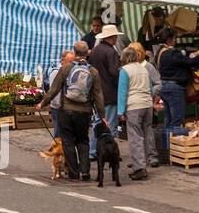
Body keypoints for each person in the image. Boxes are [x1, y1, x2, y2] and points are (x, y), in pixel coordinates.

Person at [38, 41, 105, 180]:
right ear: (87, 53)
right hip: (84, 111)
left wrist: (43, 103)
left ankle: (73, 172)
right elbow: (98, 95)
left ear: (74, 54)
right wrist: (102, 115)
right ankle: (85, 171)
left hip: (66, 110)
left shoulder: (66, 68)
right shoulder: (93, 71)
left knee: (67, 141)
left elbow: (54, 89)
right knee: (83, 141)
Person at [117, 45, 155, 181]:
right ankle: (149, 158)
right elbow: (150, 89)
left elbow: (122, 92)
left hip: (134, 105)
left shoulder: (124, 71)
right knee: (147, 131)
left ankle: (139, 168)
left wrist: (120, 111)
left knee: (135, 137)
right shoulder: (144, 69)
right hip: (147, 104)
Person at [155, 27, 199, 133]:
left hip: (164, 86)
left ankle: (166, 144)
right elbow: (189, 62)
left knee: (169, 118)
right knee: (177, 119)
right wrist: (198, 55)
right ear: (169, 40)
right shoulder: (171, 53)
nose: (175, 41)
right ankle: (174, 144)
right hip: (174, 88)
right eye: (174, 38)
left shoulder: (159, 52)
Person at [88, 24, 123, 162]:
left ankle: (93, 150)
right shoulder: (111, 52)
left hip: (97, 92)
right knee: (110, 123)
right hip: (109, 93)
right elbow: (115, 73)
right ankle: (108, 150)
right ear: (113, 37)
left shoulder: (95, 50)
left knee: (98, 121)